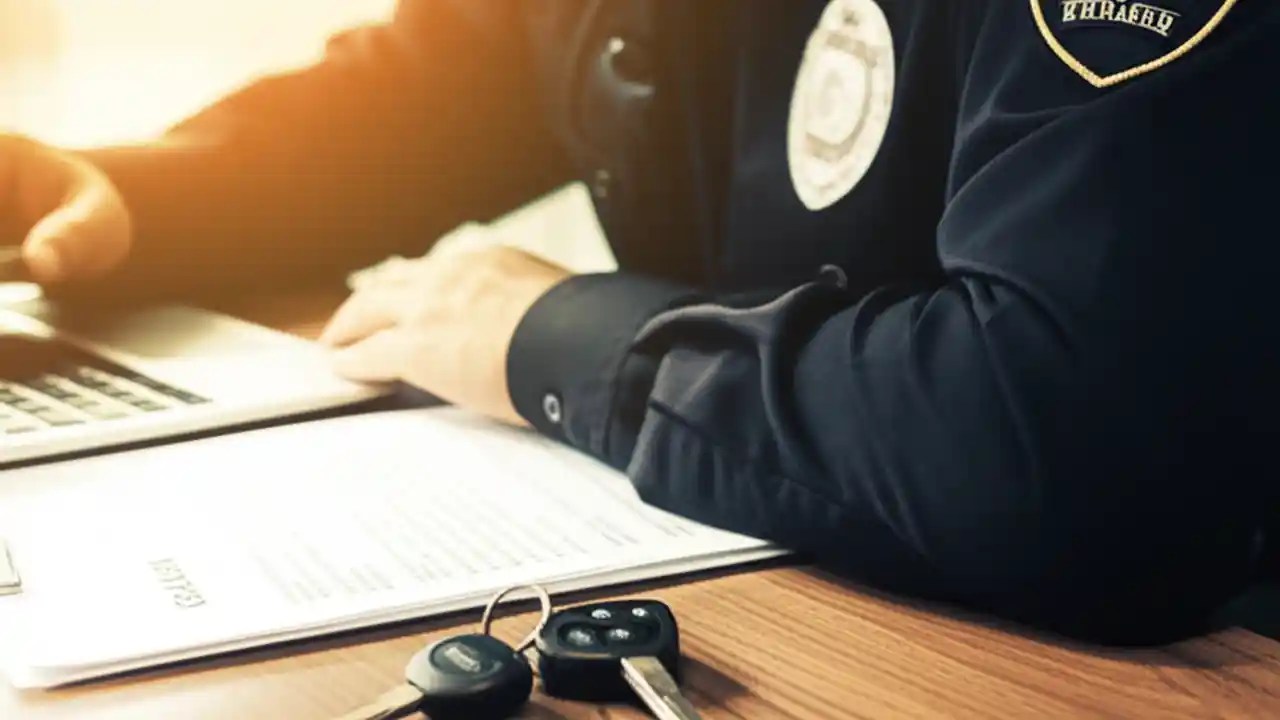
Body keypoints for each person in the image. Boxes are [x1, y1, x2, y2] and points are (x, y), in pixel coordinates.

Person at [1, 1, 1275, 644]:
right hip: (789, 580)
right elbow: (456, 76)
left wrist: (563, 340)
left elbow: (1065, 435)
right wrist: (139, 199)